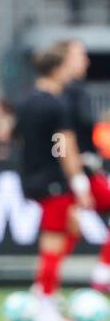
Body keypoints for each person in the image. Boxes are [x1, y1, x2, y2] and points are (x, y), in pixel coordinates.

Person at [16, 42, 94, 321]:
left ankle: (44, 291)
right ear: (59, 68)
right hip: (54, 182)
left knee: (70, 231)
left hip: (33, 177)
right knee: (52, 243)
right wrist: (78, 181)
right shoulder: (56, 103)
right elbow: (65, 146)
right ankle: (45, 305)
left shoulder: (26, 100)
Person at [59, 39, 110, 292]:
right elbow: (59, 138)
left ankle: (103, 273)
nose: (86, 61)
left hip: (81, 171)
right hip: (69, 174)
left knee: (64, 232)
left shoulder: (76, 91)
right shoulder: (63, 94)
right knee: (60, 232)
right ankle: (46, 290)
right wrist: (73, 166)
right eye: (80, 55)